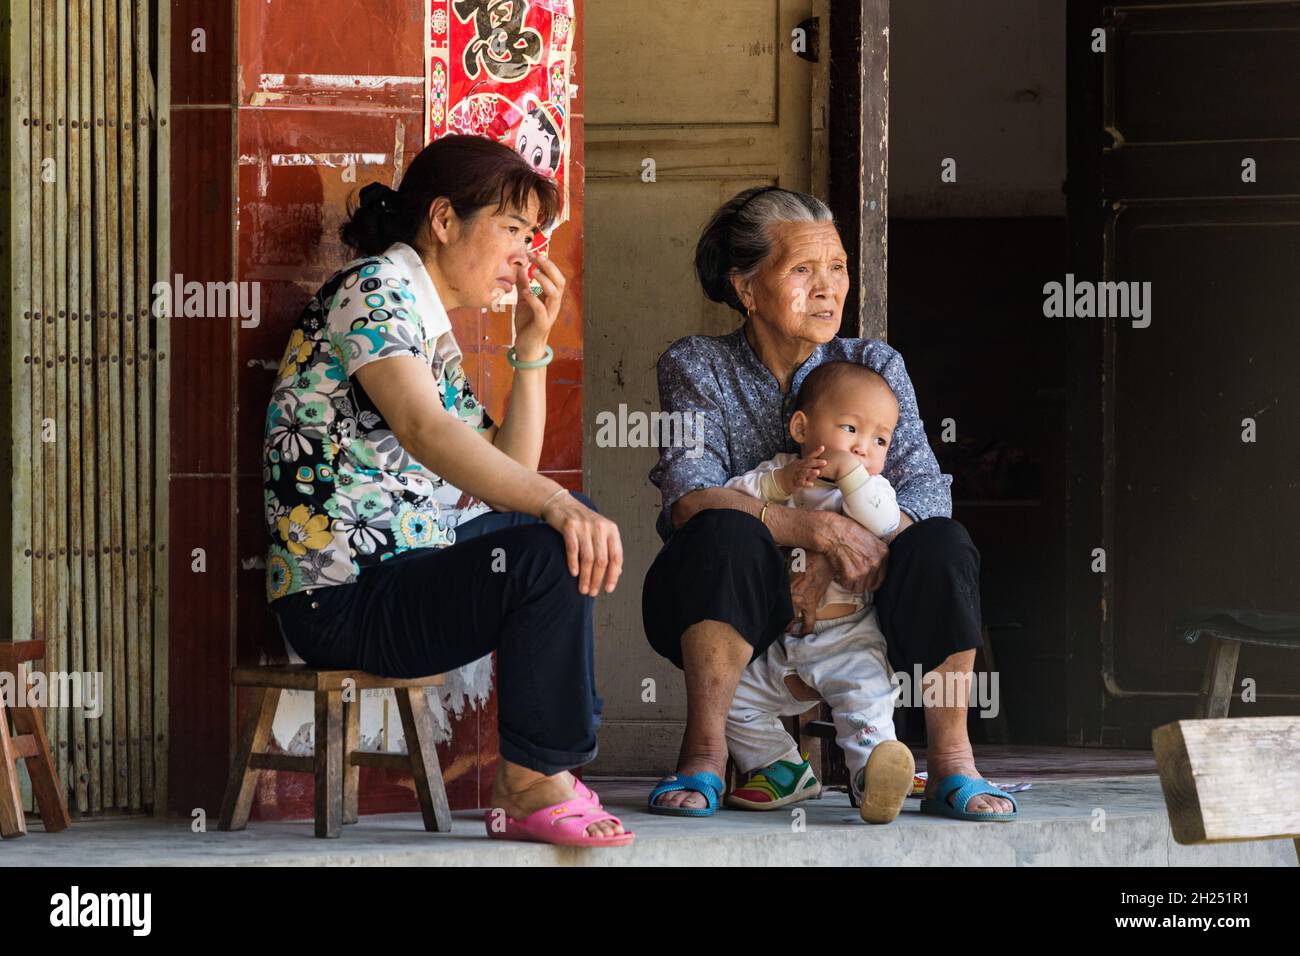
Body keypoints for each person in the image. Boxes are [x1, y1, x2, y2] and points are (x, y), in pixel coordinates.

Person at [263, 134, 634, 846]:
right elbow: (424, 429)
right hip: (341, 597)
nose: (527, 254)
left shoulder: (423, 322)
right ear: (442, 220)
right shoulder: (372, 291)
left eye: (535, 237)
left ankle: (538, 772)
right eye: (513, 231)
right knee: (551, 535)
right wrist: (551, 502)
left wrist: (531, 348)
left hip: (407, 575)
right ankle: (532, 780)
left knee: (562, 527)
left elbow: (506, 476)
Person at [642, 185, 1019, 822]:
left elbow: (925, 492)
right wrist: (810, 530)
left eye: (838, 267)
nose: (828, 287)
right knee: (721, 532)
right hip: (742, 600)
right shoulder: (696, 364)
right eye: (803, 269)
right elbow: (688, 499)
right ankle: (704, 757)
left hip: (862, 604)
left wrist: (832, 553)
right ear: (746, 288)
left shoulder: (872, 363)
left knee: (942, 542)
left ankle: (952, 762)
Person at [722, 360, 916, 823]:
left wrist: (852, 475)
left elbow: (886, 523)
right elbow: (730, 501)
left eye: (880, 440)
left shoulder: (873, 489)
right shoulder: (782, 474)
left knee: (865, 710)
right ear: (801, 427)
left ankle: (872, 777)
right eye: (850, 428)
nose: (863, 448)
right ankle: (781, 766)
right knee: (729, 701)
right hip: (780, 640)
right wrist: (778, 484)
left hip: (849, 638)